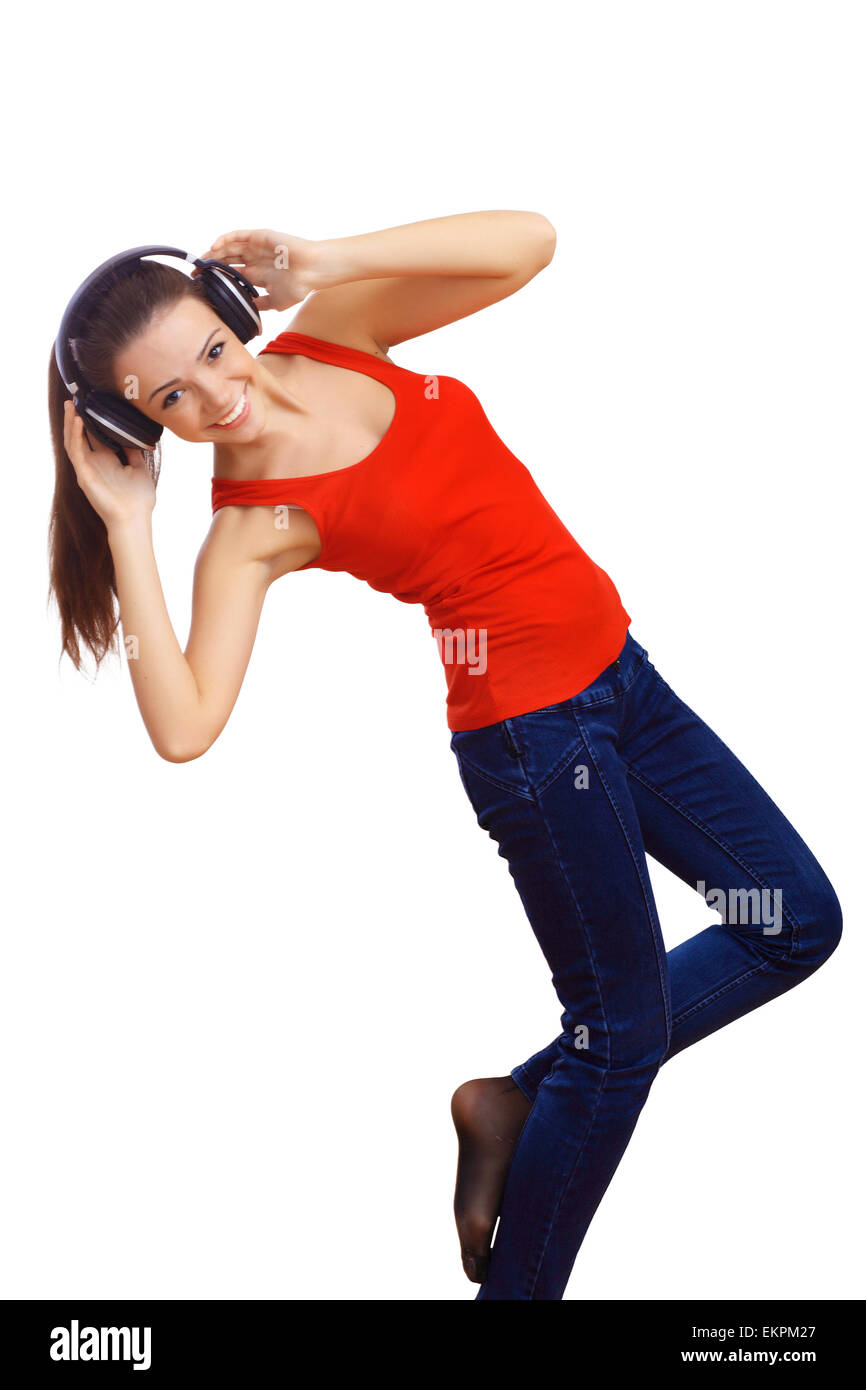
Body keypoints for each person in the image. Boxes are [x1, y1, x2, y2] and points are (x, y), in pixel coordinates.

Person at [47, 213, 843, 1301]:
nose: (213, 395)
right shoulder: (252, 523)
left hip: (622, 681)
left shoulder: (343, 328)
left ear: (238, 319)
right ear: (139, 423)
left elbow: (529, 244)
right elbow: (184, 725)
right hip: (533, 741)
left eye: (212, 351)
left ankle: (512, 1097)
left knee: (790, 916)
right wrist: (129, 527)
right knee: (617, 1045)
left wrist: (321, 261)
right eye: (169, 399)